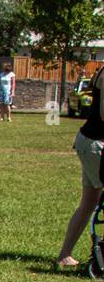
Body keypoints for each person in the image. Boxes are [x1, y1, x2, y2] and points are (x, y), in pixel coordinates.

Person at [55, 63, 104, 270]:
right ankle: (101, 257)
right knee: (90, 203)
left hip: (89, 142)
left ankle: (65, 255)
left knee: (88, 203)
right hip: (97, 144)